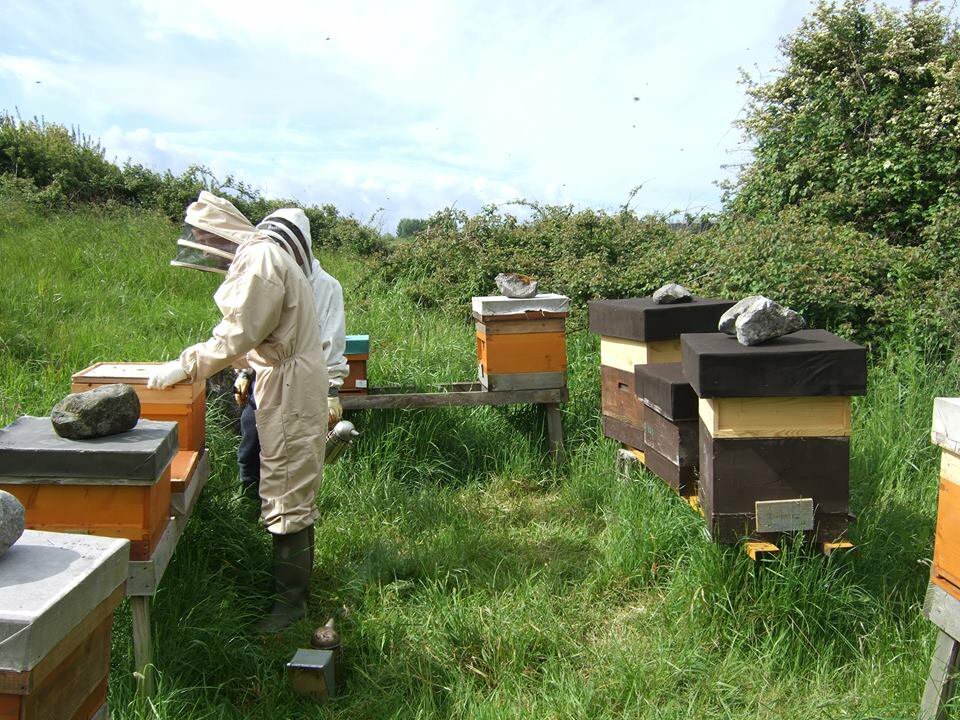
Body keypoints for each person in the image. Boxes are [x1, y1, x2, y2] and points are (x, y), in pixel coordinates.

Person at [147, 191, 327, 633]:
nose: (208, 248)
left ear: (221, 235)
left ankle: (290, 607)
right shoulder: (267, 256)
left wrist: (186, 365)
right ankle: (294, 592)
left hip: (289, 383)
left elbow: (238, 333)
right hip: (287, 377)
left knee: (287, 485)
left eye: (208, 238)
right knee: (289, 482)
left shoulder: (262, 259)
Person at [236, 208, 348, 505]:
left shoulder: (327, 287)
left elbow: (332, 341)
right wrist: (245, 372)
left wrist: (332, 390)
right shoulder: (267, 277)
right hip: (266, 380)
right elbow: (254, 330)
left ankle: (292, 521)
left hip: (304, 386)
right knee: (252, 447)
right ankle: (250, 508)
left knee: (295, 458)